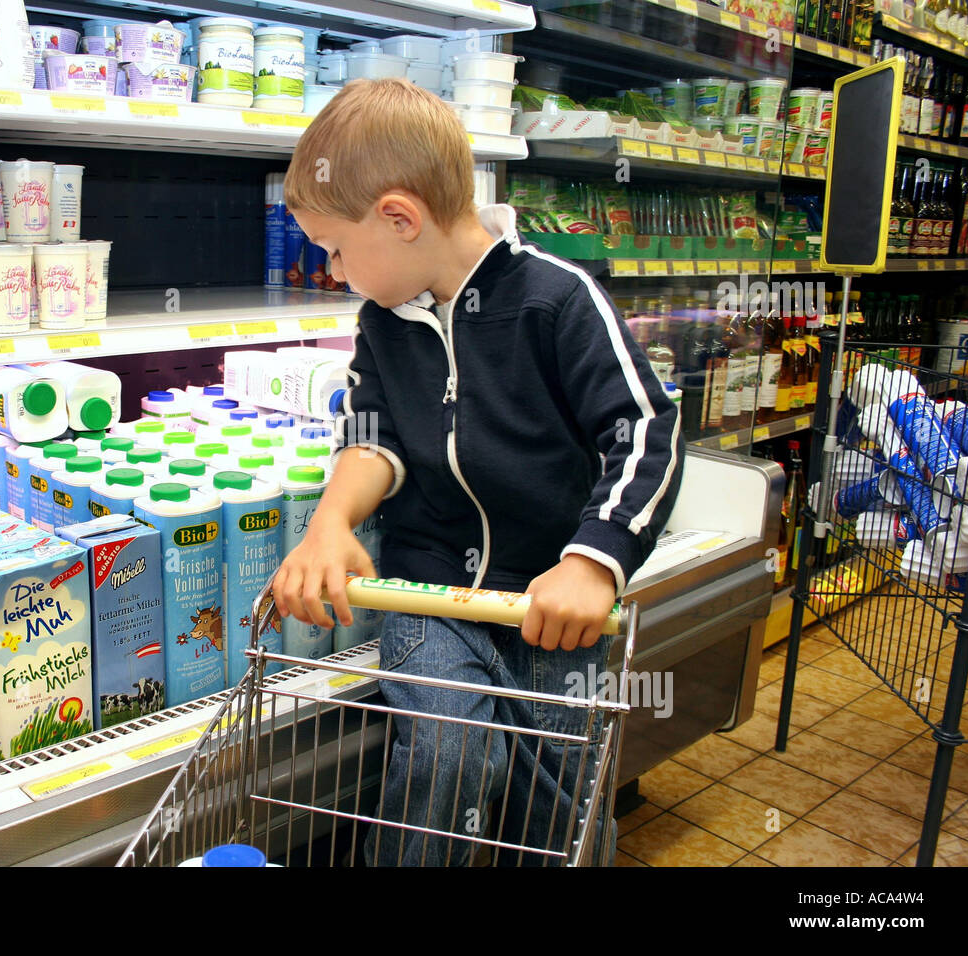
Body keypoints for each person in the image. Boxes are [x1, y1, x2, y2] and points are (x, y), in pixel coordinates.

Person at [269, 78, 684, 867]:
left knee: (561, 793)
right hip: (428, 591)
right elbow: (369, 432)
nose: (332, 271)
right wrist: (331, 521)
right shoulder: (382, 324)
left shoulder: (559, 305)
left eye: (334, 249)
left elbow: (644, 429)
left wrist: (594, 562)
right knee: (446, 748)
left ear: (399, 217)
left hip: (549, 602)